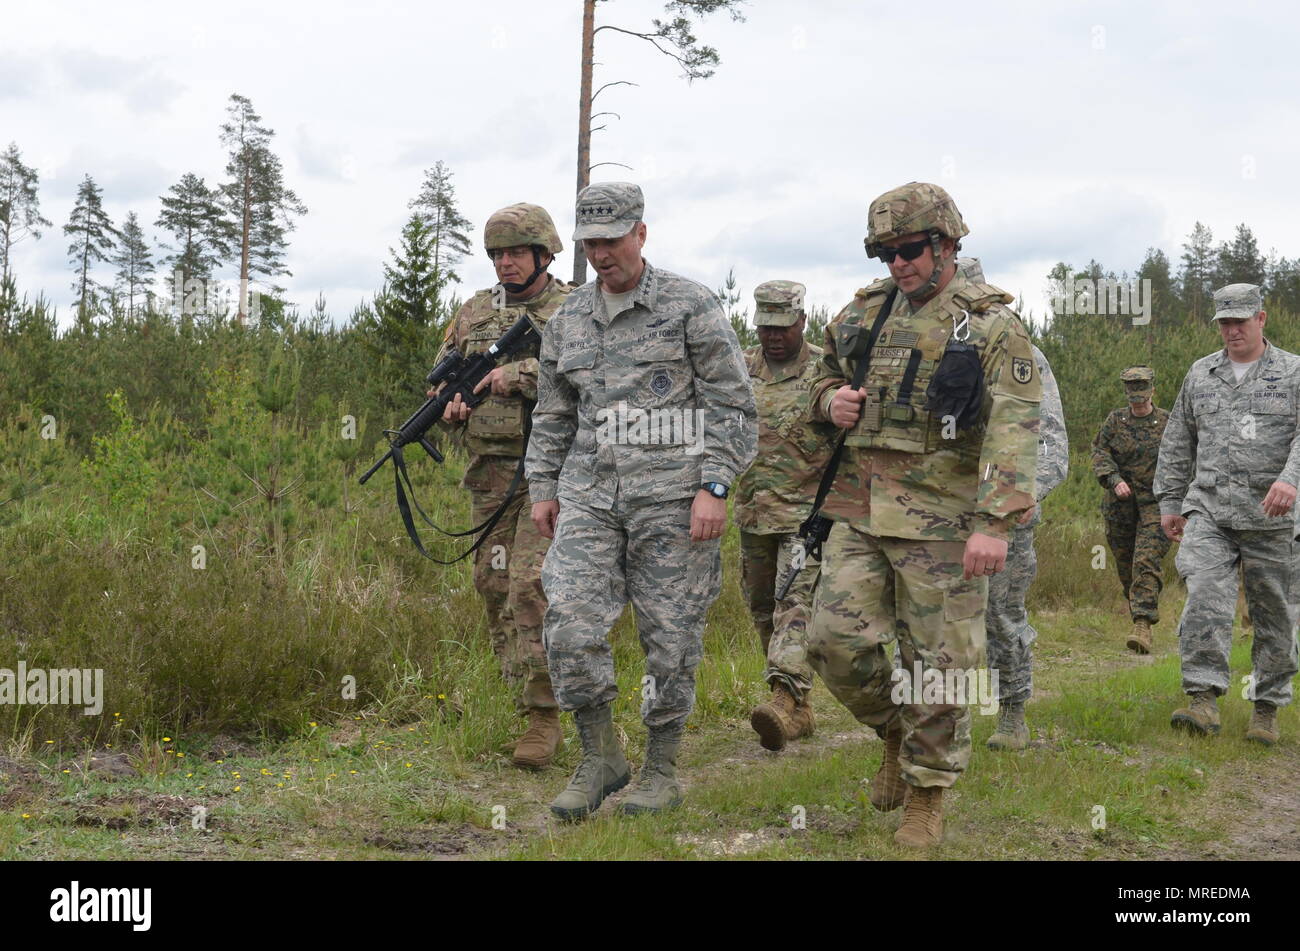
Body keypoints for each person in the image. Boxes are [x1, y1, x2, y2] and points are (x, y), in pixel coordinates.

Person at [805, 182, 1041, 848]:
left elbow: (1016, 427)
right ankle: (893, 727)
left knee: (939, 663)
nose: (898, 265)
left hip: (946, 520)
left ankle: (926, 793)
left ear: (948, 245)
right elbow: (819, 375)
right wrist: (830, 402)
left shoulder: (990, 325)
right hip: (861, 507)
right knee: (830, 641)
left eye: (909, 250)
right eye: (886, 253)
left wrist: (995, 522)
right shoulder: (866, 314)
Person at [526, 182, 757, 820]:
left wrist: (714, 488)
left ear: (642, 234)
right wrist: (543, 488)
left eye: (612, 240)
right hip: (590, 497)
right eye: (590, 243)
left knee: (670, 639)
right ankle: (600, 754)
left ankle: (661, 766)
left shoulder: (691, 306)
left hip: (675, 502)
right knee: (569, 623)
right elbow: (553, 413)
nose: (602, 255)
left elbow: (732, 406)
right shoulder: (567, 319)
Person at [436, 203, 572, 770]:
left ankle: (547, 715)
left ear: (544, 253)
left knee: (530, 585)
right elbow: (441, 374)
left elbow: (591, 373)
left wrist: (517, 376)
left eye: (516, 252)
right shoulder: (473, 313)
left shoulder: (572, 310)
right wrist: (450, 403)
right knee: (493, 587)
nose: (505, 263)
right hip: (490, 475)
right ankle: (524, 702)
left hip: (553, 476)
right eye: (496, 254)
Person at [1154, 283, 1300, 745]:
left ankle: (1266, 708)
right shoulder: (1201, 374)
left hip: (1272, 517)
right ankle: (1202, 699)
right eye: (1224, 322)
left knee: (1274, 615)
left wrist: (1291, 478)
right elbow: (1179, 439)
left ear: (1262, 318)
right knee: (1203, 597)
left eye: (1241, 320)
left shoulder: (1293, 373)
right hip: (1210, 511)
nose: (1232, 330)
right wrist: (1170, 502)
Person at [955, 259, 1069, 751]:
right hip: (935, 512)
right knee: (924, 619)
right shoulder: (918, 353)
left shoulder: (1023, 355)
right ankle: (932, 717)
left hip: (1005, 514)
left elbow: (1049, 443)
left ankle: (1012, 712)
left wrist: (1024, 497)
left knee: (1000, 615)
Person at [734, 280, 836, 751]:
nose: (773, 336)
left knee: (793, 606)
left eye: (782, 327)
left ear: (802, 320)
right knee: (762, 611)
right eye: (765, 327)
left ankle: (782, 697)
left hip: (806, 518)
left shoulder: (823, 369)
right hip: (753, 512)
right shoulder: (741, 366)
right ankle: (798, 708)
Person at [1091, 366, 1172, 654]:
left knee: (1145, 560)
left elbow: (1181, 459)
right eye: (1132, 397)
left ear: (1152, 391)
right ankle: (1137, 608)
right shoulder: (1115, 421)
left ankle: (1142, 624)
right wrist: (1114, 480)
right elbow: (1100, 453)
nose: (1138, 402)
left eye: (1142, 396)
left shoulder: (1167, 423)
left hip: (1156, 503)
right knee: (1126, 565)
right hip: (1120, 506)